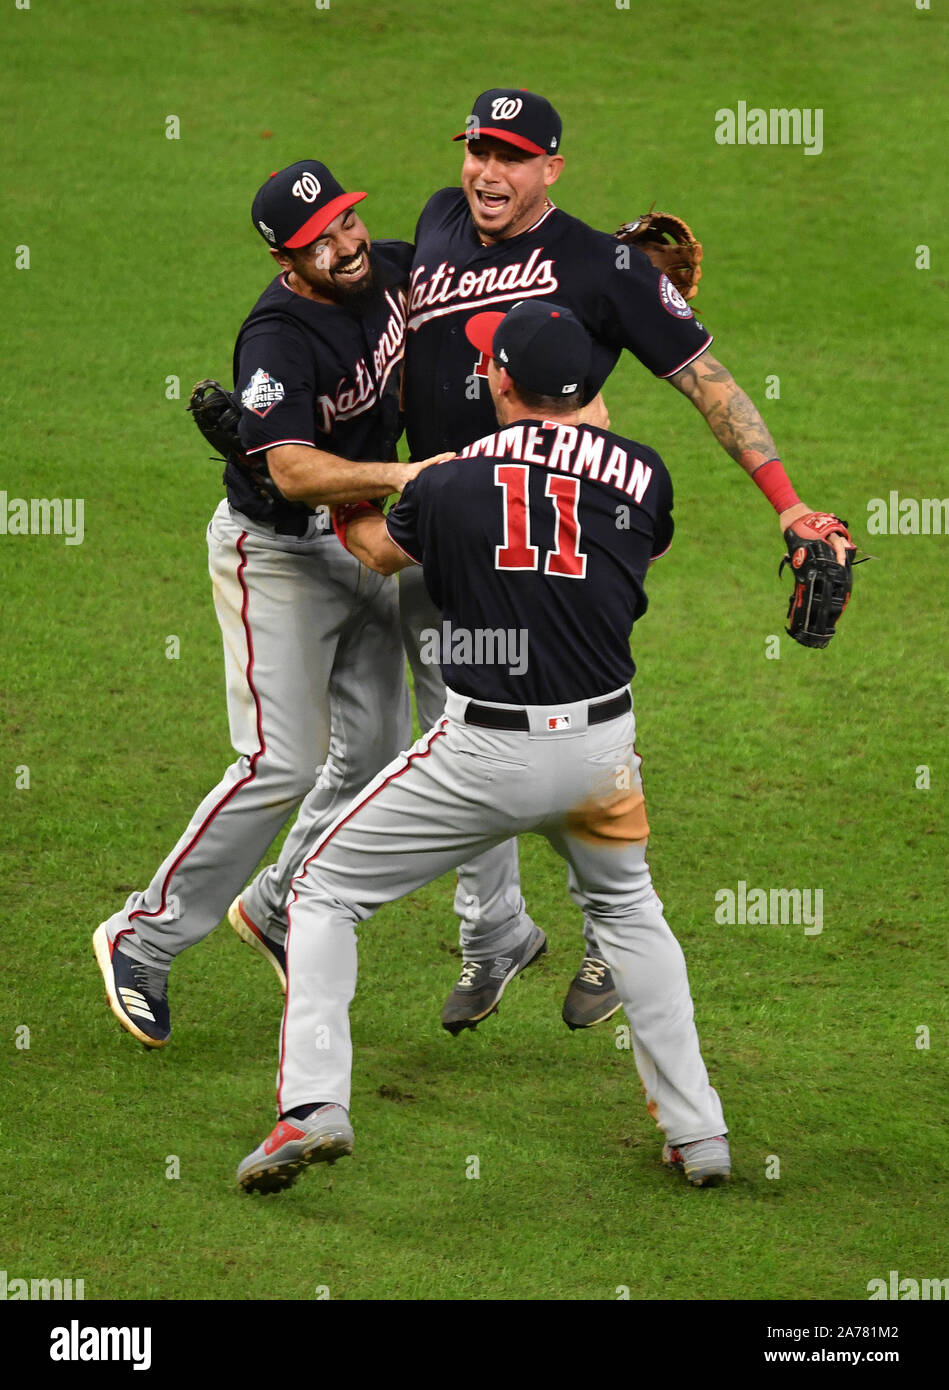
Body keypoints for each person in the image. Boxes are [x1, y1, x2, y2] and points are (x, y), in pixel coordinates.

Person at [236, 300, 731, 1195]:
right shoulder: (644, 476)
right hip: (603, 758)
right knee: (628, 913)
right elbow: (618, 534)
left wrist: (322, 485)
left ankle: (312, 1107)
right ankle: (700, 1133)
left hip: (483, 761)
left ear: (498, 382)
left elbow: (375, 554)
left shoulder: (449, 481)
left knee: (321, 889)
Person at [394, 87, 851, 1035]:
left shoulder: (601, 265)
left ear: (550, 169)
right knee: (460, 724)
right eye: (479, 149)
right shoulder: (438, 219)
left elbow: (706, 383)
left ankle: (615, 926)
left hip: (553, 538)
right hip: (444, 529)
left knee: (564, 725)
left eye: (512, 156)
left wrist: (789, 503)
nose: (487, 170)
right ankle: (494, 940)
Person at [93, 161, 446, 1046]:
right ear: (291, 259)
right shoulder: (279, 334)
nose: (347, 243)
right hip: (278, 556)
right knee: (277, 763)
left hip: (360, 542)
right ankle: (143, 934)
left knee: (369, 752)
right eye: (321, 239)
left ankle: (280, 907)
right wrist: (406, 473)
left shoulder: (395, 268)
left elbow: (491, 285)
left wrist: (605, 277)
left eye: (347, 221)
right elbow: (290, 474)